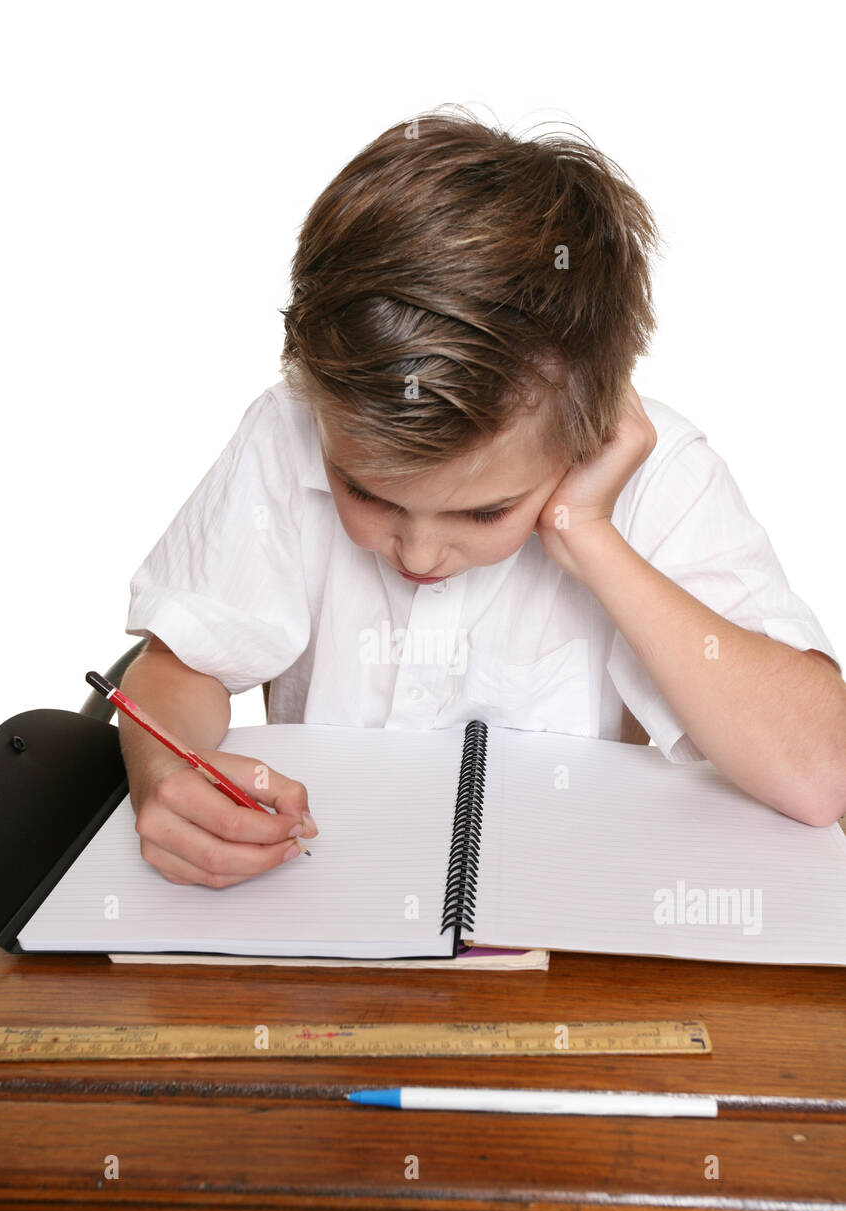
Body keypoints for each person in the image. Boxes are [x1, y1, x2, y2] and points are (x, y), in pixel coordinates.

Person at [120, 108, 845, 890]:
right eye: (364, 491)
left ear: (587, 435)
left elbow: (818, 771)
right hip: (329, 930)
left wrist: (586, 533)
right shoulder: (286, 430)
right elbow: (178, 667)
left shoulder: (661, 478)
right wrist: (167, 770)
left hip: (571, 946)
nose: (420, 554)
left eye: (484, 511)